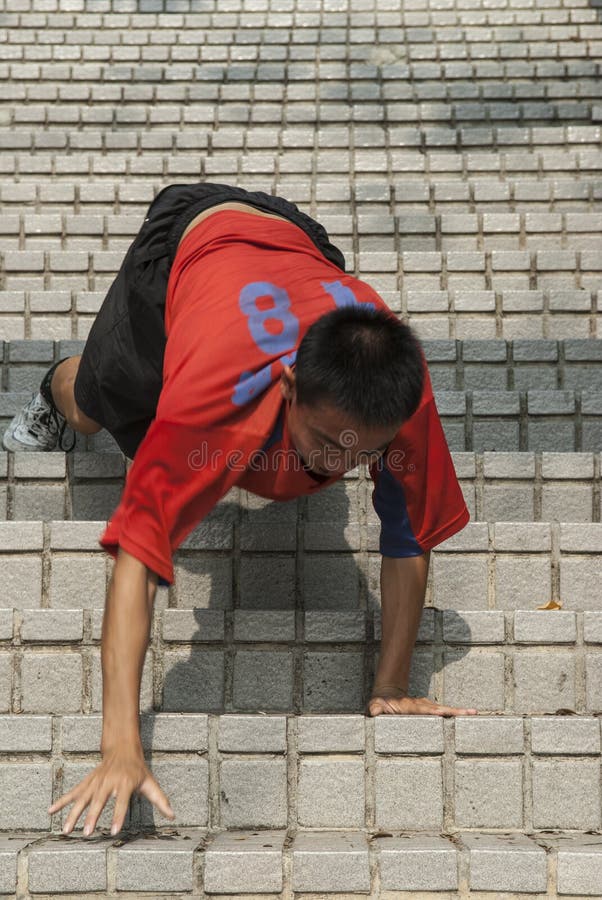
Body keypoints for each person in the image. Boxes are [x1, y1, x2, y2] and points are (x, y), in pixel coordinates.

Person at [2, 182, 476, 838]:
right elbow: (138, 555)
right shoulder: (212, 390)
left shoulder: (403, 395)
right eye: (323, 444)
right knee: (94, 409)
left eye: (361, 454)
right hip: (190, 246)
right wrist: (120, 746)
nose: (338, 468)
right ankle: (58, 381)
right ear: (287, 385)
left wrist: (391, 685)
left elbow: (408, 533)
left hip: (302, 246)